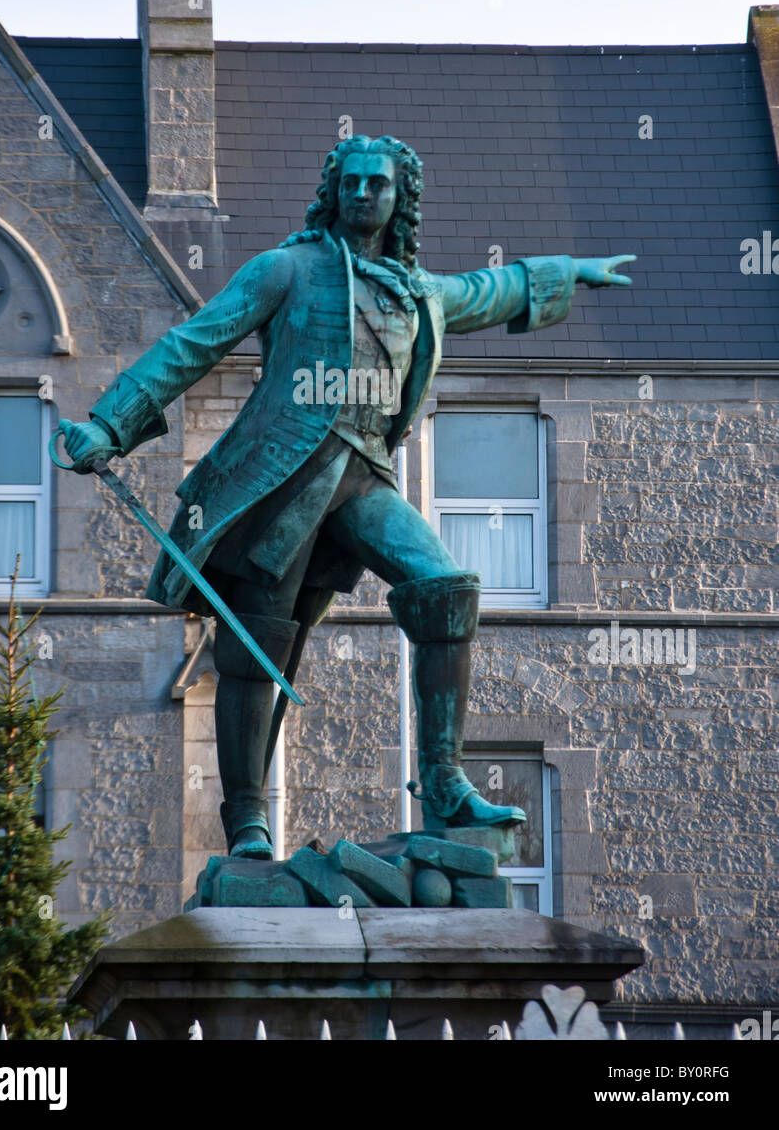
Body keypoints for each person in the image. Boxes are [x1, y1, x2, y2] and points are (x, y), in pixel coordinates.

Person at [58, 135, 634, 859]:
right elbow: (192, 344)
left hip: (360, 476)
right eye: (352, 182)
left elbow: (489, 291)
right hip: (281, 482)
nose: (363, 193)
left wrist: (569, 272)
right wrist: (108, 425)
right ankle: (247, 824)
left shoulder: (417, 291)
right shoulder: (285, 269)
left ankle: (445, 783)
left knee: (444, 588)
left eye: (378, 184)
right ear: (333, 192)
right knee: (254, 645)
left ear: (399, 199)